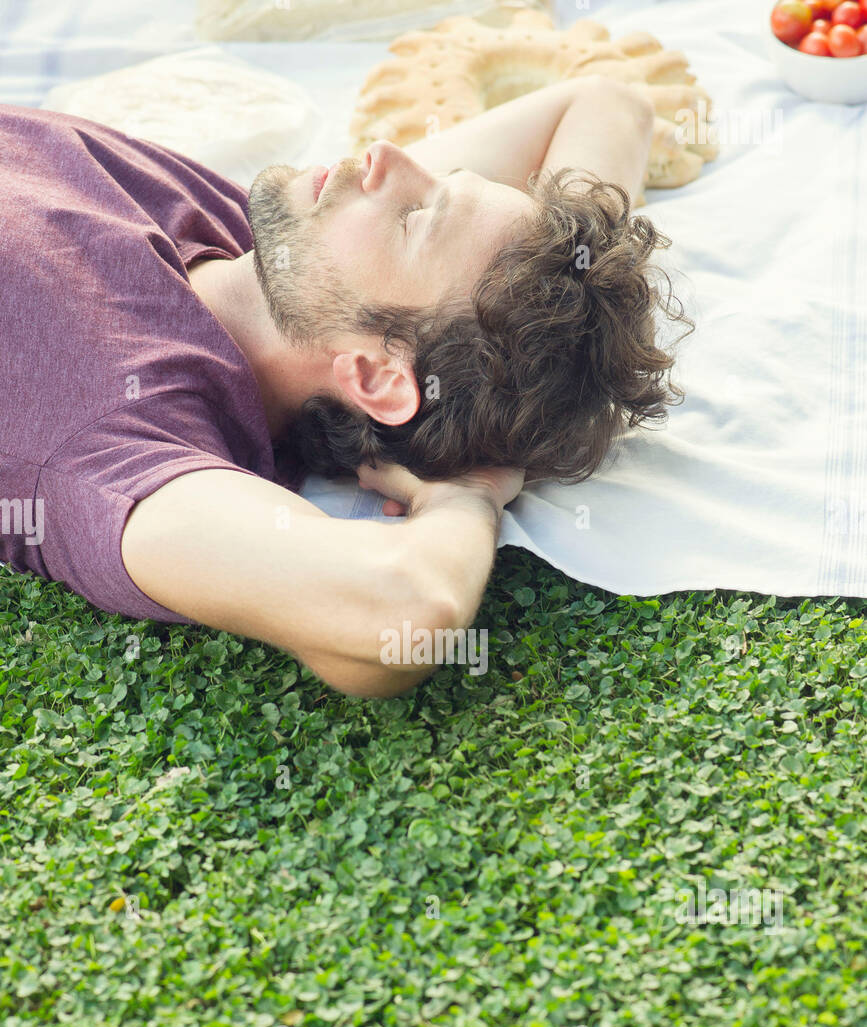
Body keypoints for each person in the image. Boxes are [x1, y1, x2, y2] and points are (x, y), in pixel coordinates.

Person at [0, 77, 686, 696]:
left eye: (416, 215)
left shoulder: (111, 437)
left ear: (377, 378)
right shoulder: (270, 240)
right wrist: (578, 282)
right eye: (443, 178)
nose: (387, 154)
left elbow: (403, 612)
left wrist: (466, 495)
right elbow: (605, 101)